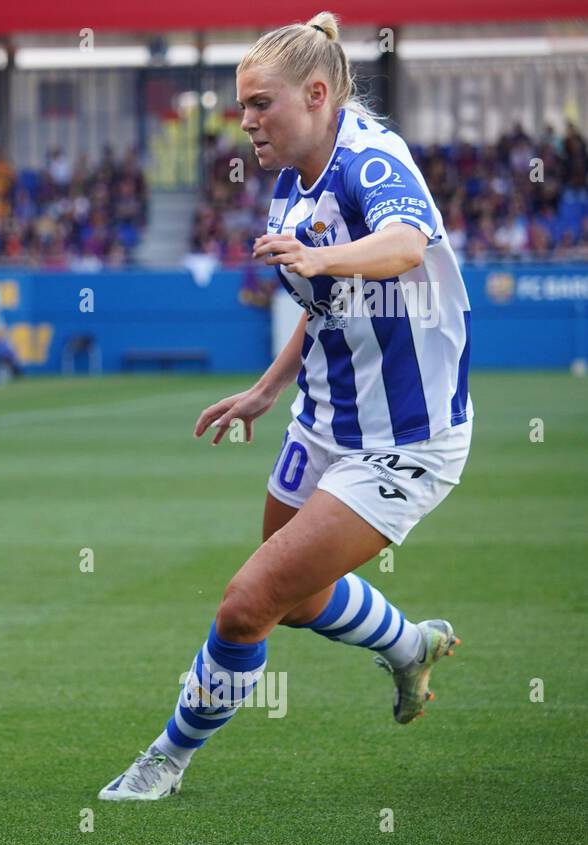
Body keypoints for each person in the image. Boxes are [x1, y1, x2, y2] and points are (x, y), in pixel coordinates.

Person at [99, 11, 473, 801]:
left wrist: (320, 255)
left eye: (260, 103)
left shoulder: (370, 161)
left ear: (315, 94)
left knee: (246, 605)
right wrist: (269, 388)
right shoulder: (290, 175)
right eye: (242, 105)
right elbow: (327, 296)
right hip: (324, 419)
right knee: (296, 600)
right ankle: (410, 646)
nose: (246, 121)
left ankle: (166, 758)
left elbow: (404, 244)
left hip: (405, 439)